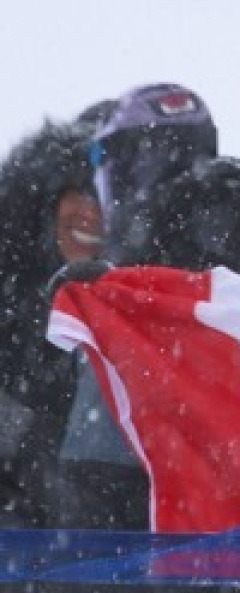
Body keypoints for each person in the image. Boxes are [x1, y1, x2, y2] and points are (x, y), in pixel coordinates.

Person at [47, 83, 240, 529]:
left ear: (130, 166)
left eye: (102, 165)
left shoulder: (133, 303)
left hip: (146, 569)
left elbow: (96, 484)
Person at [0, 100, 114, 526]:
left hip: (128, 559)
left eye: (104, 196)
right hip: (26, 555)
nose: (91, 211)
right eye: (78, 192)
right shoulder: (11, 295)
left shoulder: (159, 304)